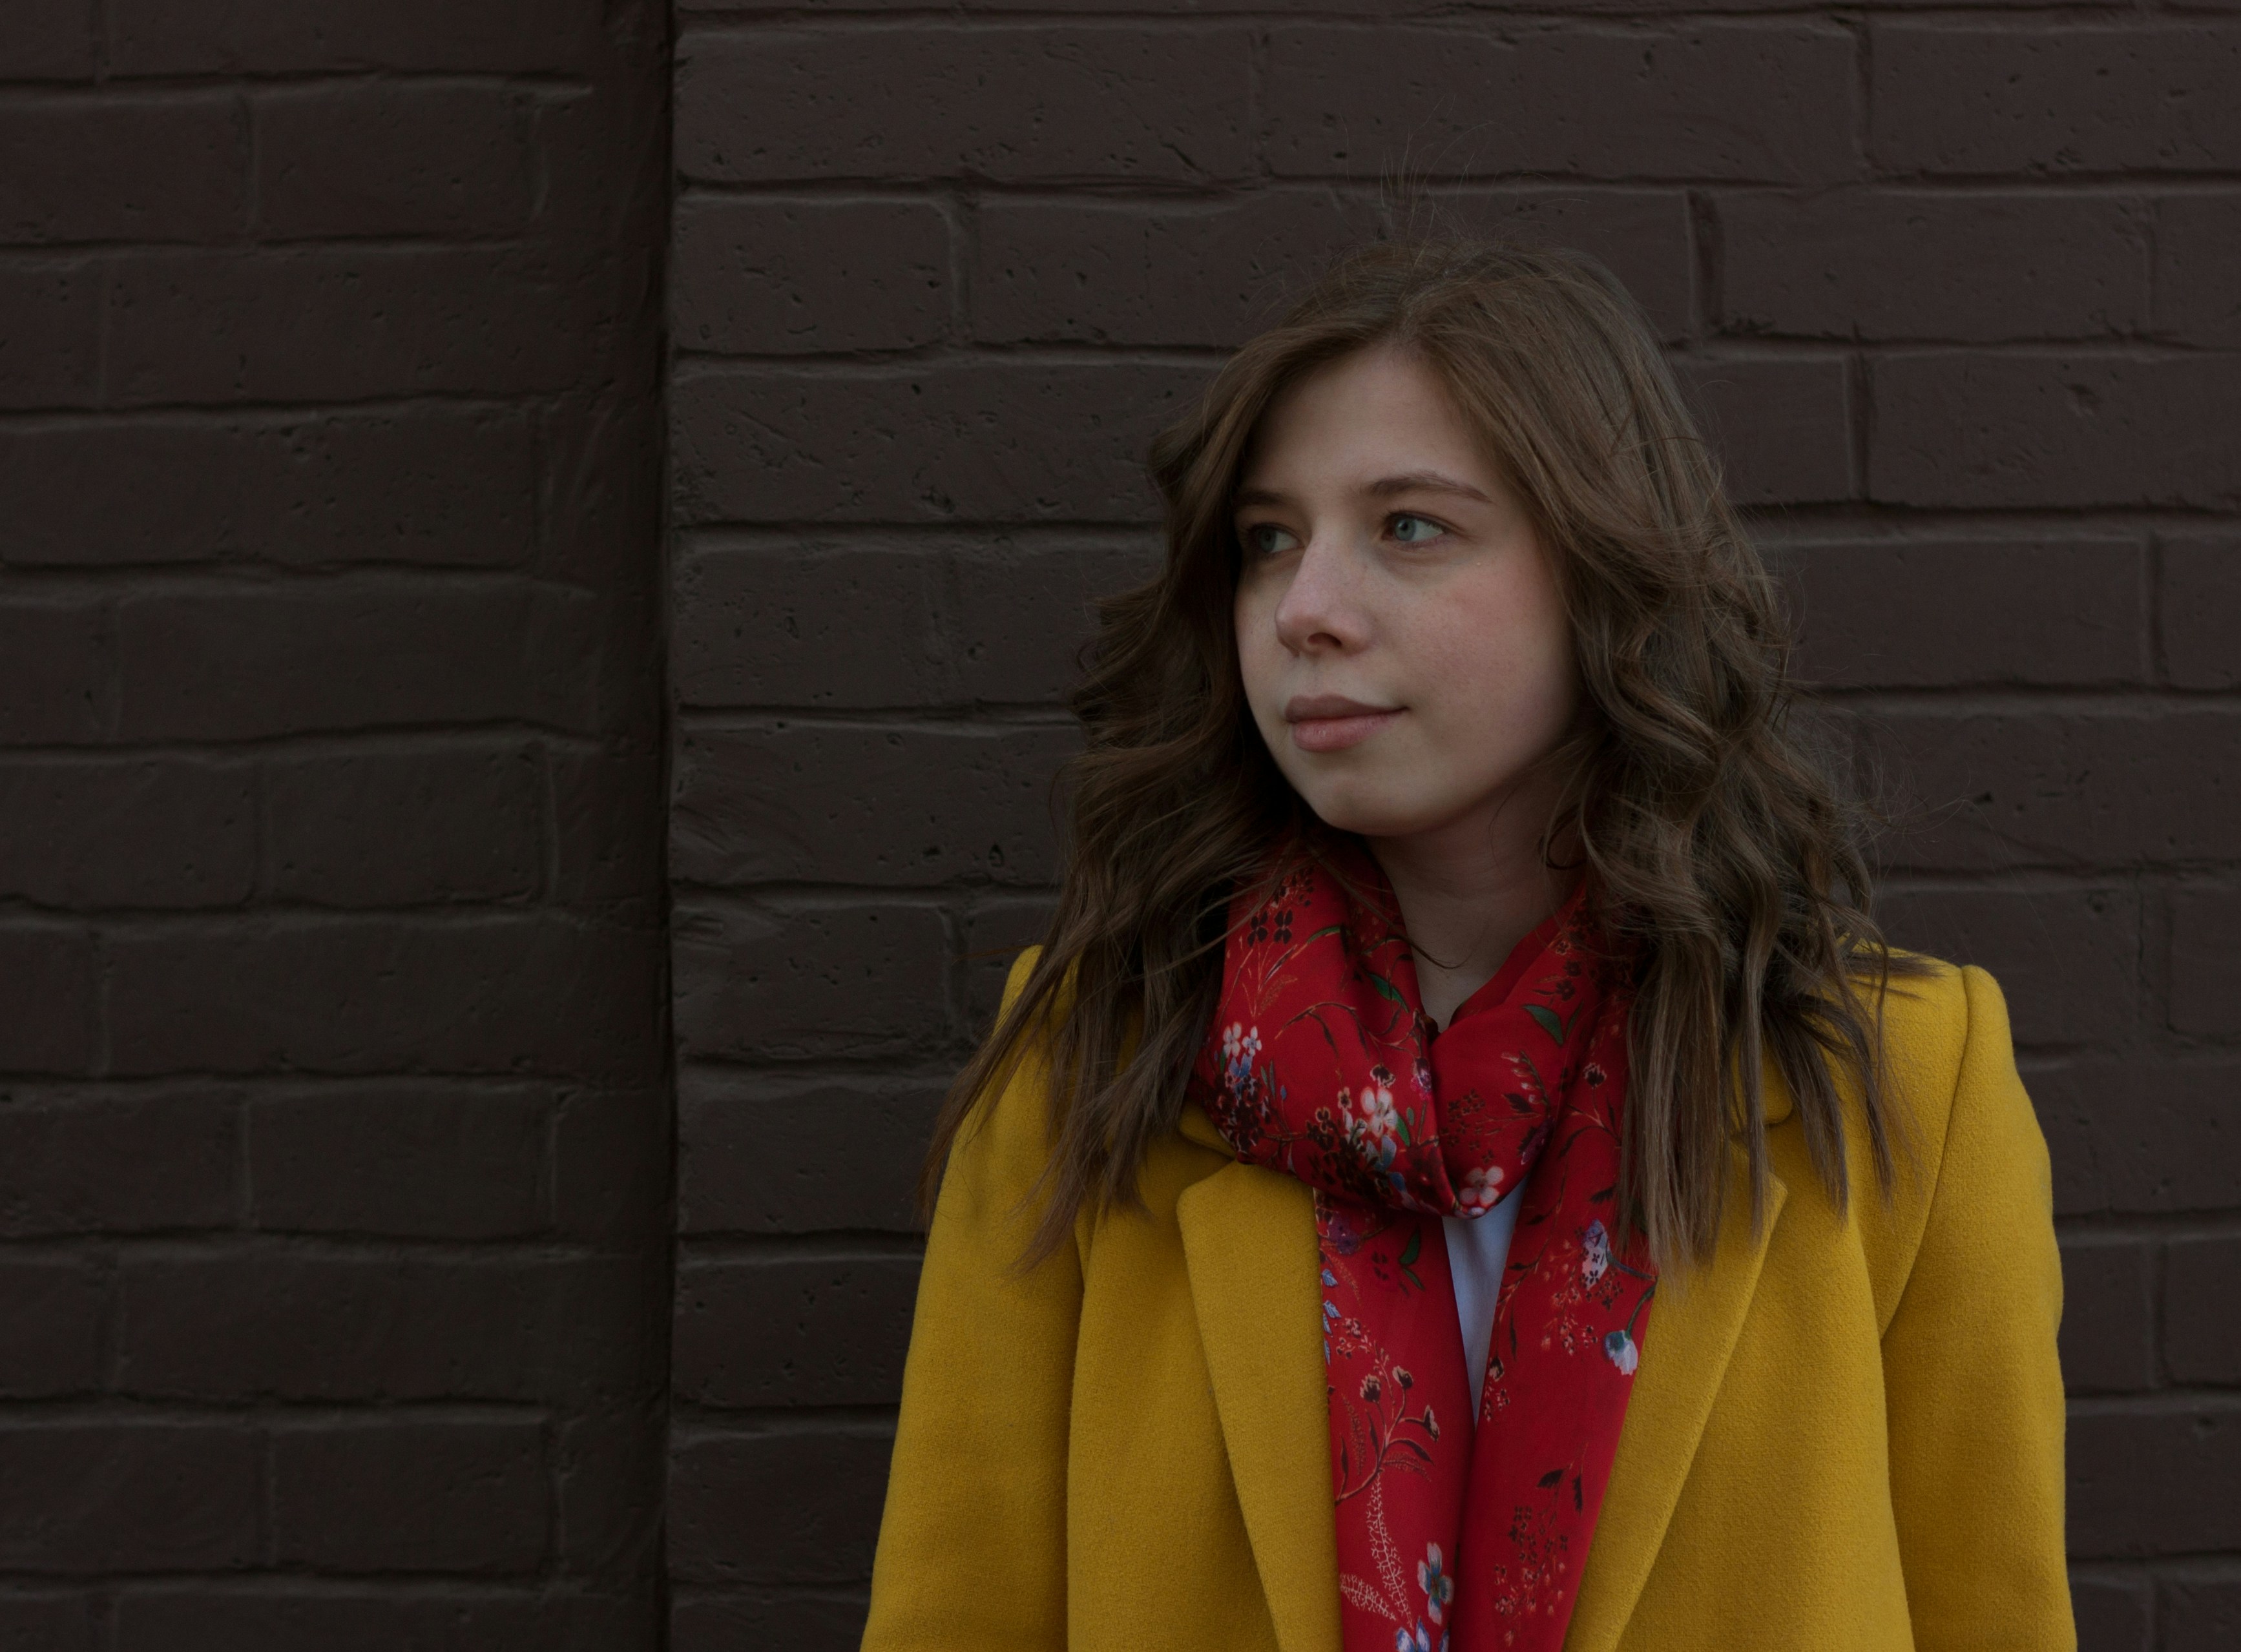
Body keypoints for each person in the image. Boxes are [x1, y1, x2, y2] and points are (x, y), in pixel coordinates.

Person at [857, 236, 2071, 1652]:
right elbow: (960, 1619)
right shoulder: (1097, 1062)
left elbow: (1992, 1616)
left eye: (1409, 527)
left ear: (1603, 569)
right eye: (1266, 540)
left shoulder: (1898, 1076)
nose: (1304, 608)